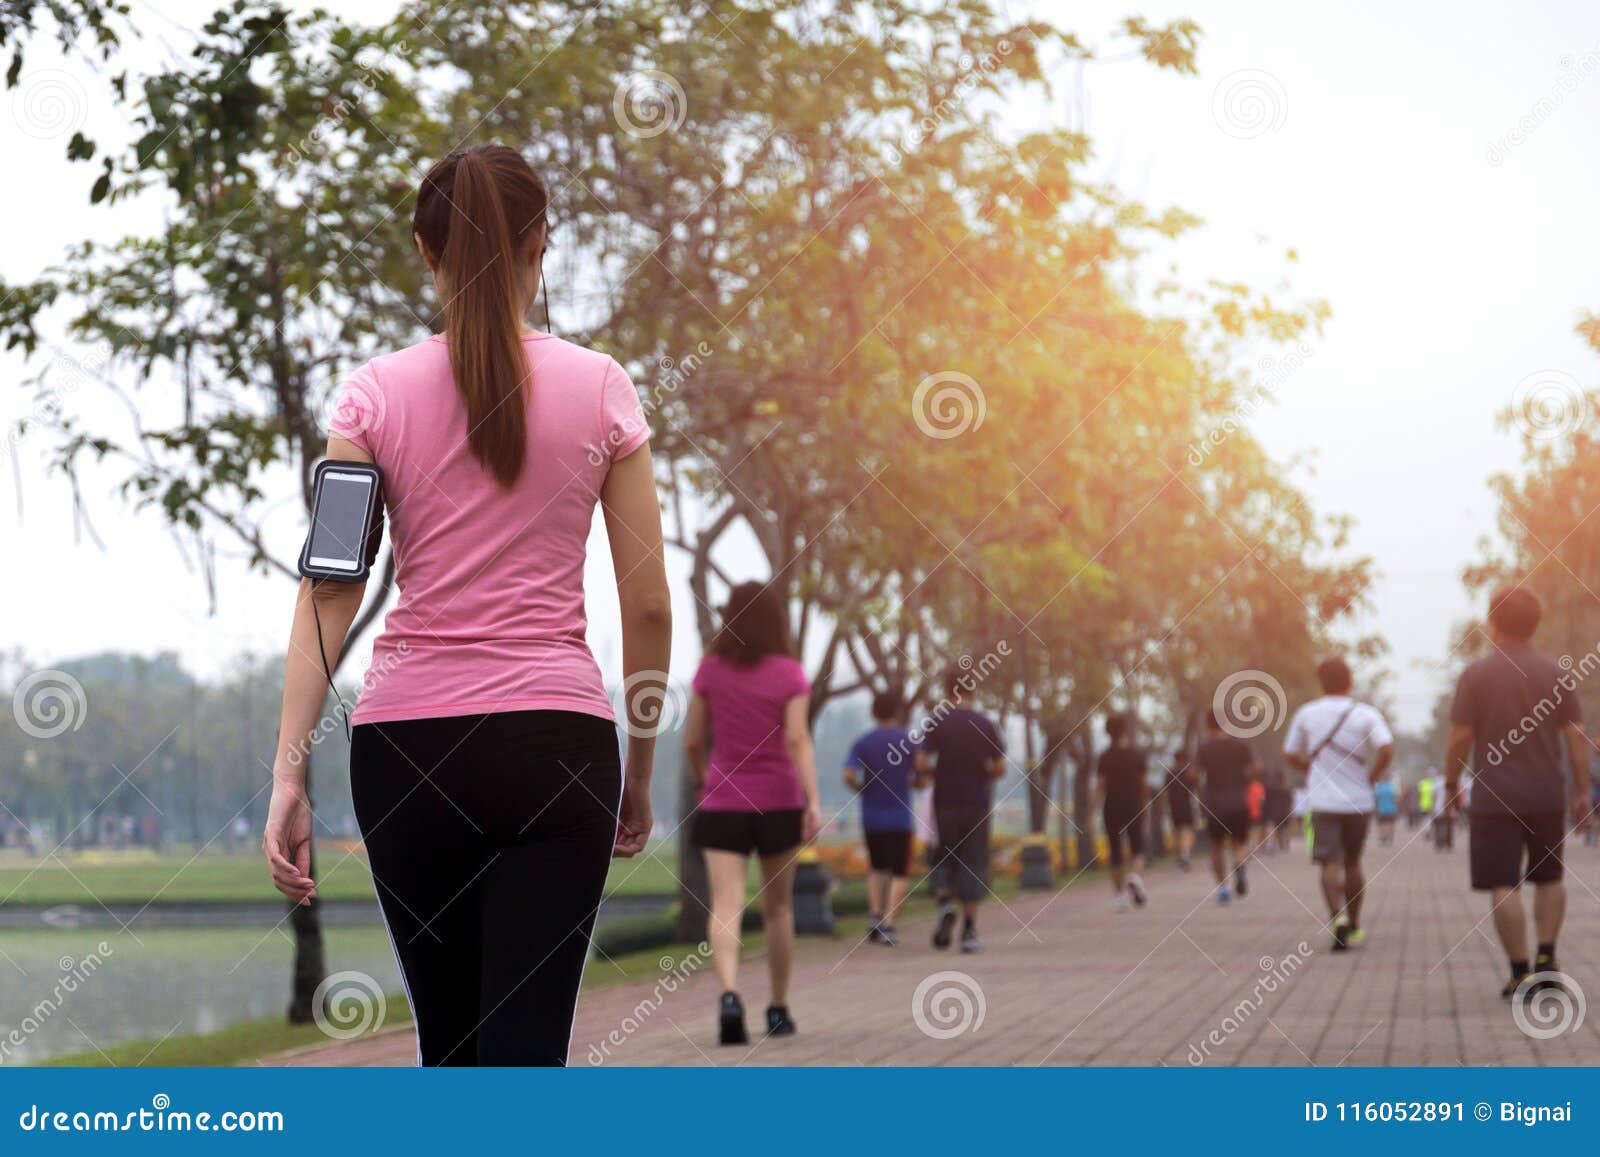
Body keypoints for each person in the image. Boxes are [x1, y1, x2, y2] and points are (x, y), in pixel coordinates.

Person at [261, 146, 671, 1066]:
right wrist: (638, 768)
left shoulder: (371, 398)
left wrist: (289, 772)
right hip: (557, 748)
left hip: (408, 756)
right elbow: (647, 603)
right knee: (525, 1061)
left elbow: (331, 589)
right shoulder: (602, 386)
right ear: (540, 244)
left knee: (450, 1055)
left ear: (426, 250)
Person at [685, 581, 822, 1045]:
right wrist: (813, 800)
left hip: (723, 802)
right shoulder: (790, 674)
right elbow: (798, 739)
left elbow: (692, 741)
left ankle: (728, 996)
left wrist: (704, 780)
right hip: (779, 801)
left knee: (727, 905)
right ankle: (779, 1010)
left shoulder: (709, 671)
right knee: (778, 908)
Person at [1444, 586, 1590, 1000]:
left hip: (1494, 797)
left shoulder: (1476, 674)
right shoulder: (1556, 673)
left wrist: (1451, 784)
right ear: (1536, 623)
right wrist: (1582, 790)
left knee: (1502, 882)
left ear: (1493, 621)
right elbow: (1575, 736)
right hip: (1546, 794)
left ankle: (1519, 972)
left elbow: (1460, 737)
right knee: (1550, 876)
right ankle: (1547, 959)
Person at [1285, 657, 1394, 952]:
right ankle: (1355, 924)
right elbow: (1386, 748)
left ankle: (1337, 918)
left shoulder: (1307, 713)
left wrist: (1310, 767)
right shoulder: (1366, 714)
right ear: (1350, 681)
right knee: (1353, 862)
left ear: (1321, 682)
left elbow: (1290, 753)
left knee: (1329, 863)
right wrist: (1371, 776)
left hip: (1322, 801)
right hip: (1358, 801)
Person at [914, 670, 1005, 953]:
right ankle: (969, 931)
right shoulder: (985, 723)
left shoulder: (938, 721)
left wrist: (937, 771)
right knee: (973, 861)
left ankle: (945, 904)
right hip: (977, 803)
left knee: (943, 855)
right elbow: (1000, 767)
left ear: (947, 690)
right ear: (972, 690)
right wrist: (982, 773)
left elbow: (920, 762)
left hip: (945, 802)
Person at [842, 690, 916, 946]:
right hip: (900, 818)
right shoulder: (906, 741)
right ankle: (889, 924)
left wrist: (860, 788)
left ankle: (875, 915)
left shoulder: (863, 742)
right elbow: (921, 772)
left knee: (876, 868)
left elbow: (847, 773)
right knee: (900, 872)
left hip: (872, 817)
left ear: (873, 713)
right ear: (897, 712)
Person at [1194, 709, 1259, 904]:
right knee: (1239, 843)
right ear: (1226, 724)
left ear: (1207, 725)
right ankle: (1239, 865)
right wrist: (1246, 781)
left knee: (1216, 846)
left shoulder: (1204, 748)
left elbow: (1194, 774)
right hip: (1238, 801)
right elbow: (1257, 767)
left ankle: (1223, 888)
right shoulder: (1240, 746)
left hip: (1214, 804)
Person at [1094, 713, 1149, 912]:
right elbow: (1143, 785)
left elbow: (1100, 787)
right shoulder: (1137, 755)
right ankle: (1134, 877)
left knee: (1115, 853)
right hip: (1134, 807)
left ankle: (1119, 899)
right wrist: (1145, 805)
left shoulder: (1104, 757)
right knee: (1138, 850)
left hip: (1111, 807)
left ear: (1107, 732)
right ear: (1125, 731)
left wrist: (1091, 811)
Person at [1161, 750, 1197, 870]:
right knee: (1187, 830)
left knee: (1176, 831)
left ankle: (1180, 857)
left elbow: (1165, 793)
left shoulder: (1169, 773)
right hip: (1187, 805)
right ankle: (1185, 854)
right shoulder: (1189, 772)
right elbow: (1195, 788)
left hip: (1173, 807)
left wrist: (1165, 807)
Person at [1264, 770, 1294, 854]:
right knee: (1284, 829)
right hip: (1284, 811)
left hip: (1272, 812)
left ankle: (1270, 844)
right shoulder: (1286, 789)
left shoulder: (1269, 789)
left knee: (1271, 827)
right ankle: (1284, 845)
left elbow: (1266, 802)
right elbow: (1290, 802)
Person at [1372, 776, 1399, 847]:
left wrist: (1375, 808)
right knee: (1391, 824)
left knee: (1382, 824)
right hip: (1391, 809)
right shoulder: (1392, 788)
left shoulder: (1379, 788)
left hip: (1381, 809)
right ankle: (1390, 838)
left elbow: (1375, 799)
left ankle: (1383, 836)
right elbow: (1395, 798)